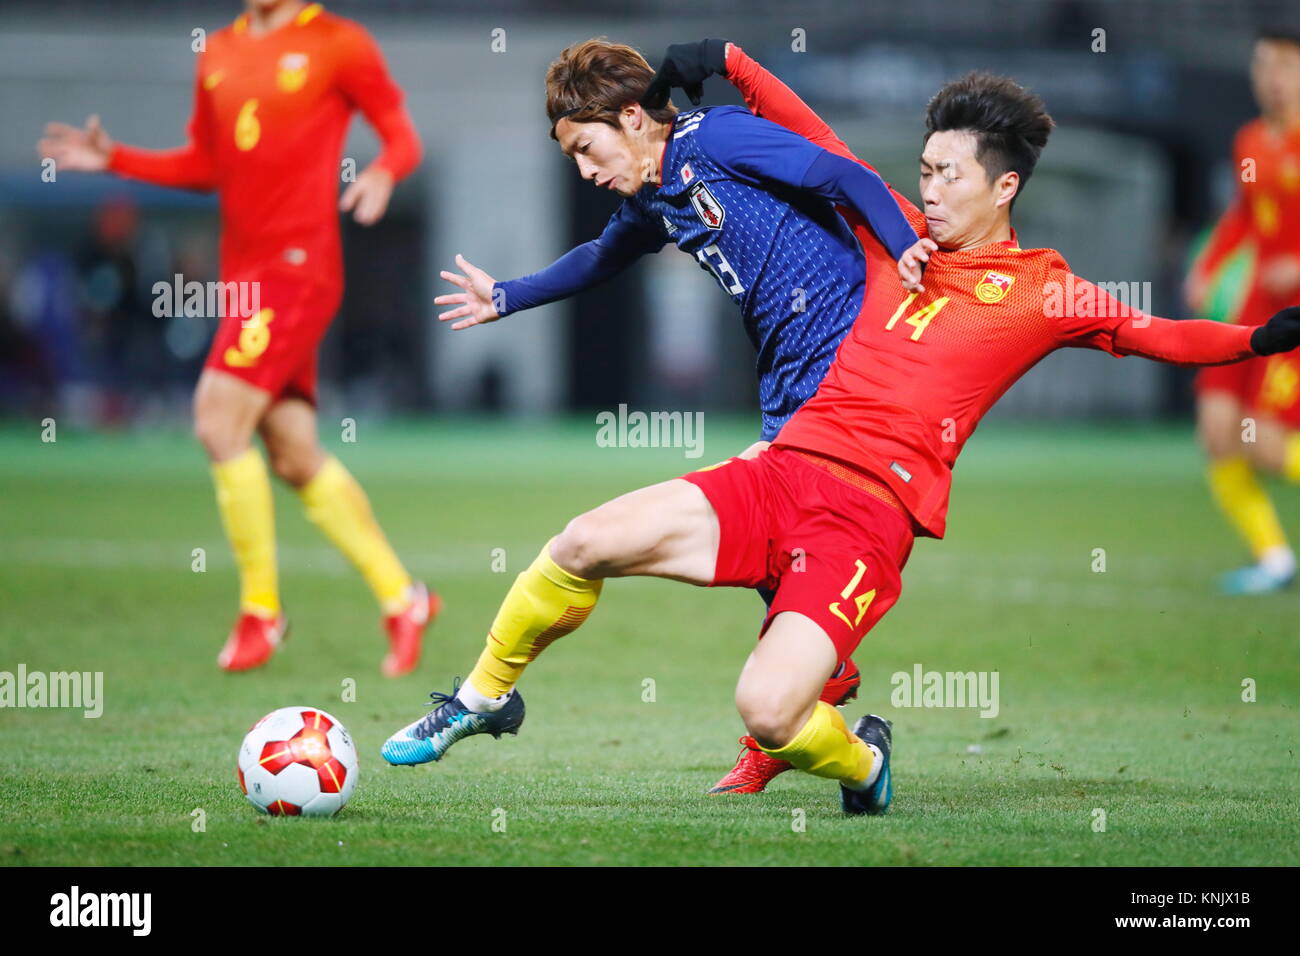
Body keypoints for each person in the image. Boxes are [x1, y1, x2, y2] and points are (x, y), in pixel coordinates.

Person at [382, 44, 1300, 816]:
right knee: (581, 539)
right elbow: (820, 143)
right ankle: (480, 699)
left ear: (1005, 185)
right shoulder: (890, 231)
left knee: (769, 697)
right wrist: (732, 60)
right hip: (786, 460)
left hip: (868, 512)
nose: (927, 186)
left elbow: (1156, 334)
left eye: (948, 173)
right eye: (926, 169)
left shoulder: (1041, 288)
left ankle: (853, 753)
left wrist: (1261, 337)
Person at [38, 0, 436, 675]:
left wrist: (382, 172)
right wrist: (117, 159)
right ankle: (406, 599)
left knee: (217, 420)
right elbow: (208, 163)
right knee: (292, 454)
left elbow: (403, 136)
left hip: (299, 270)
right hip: (245, 280)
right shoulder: (218, 50)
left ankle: (261, 611)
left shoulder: (339, 43)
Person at [1185, 28, 1300, 594]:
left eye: (1284, 65)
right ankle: (1275, 558)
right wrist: (1209, 263)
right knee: (1218, 431)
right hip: (1257, 311)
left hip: (1297, 317)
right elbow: (1245, 217)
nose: (1271, 78)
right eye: (1263, 65)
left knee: (1263, 442)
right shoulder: (1251, 141)